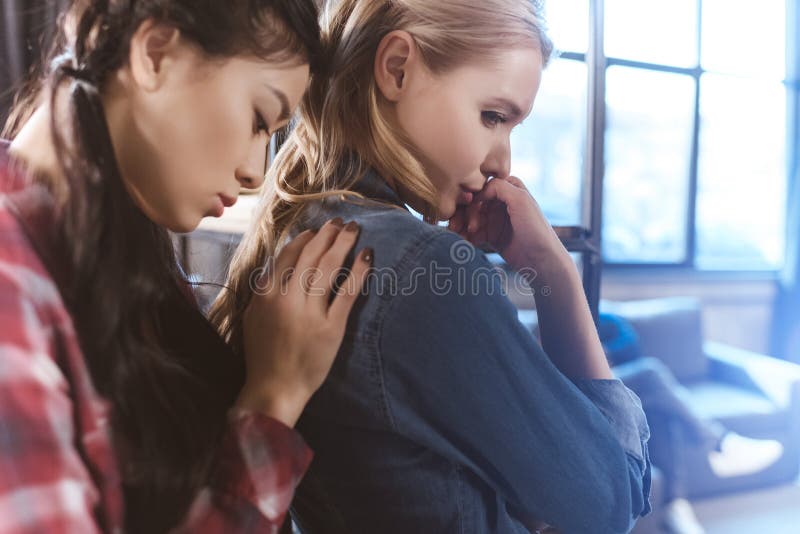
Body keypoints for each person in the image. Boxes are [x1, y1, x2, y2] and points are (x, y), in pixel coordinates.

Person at [214, 1, 652, 532]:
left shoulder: (298, 226)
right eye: (493, 116)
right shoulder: (424, 269)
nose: (502, 163)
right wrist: (554, 272)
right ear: (397, 68)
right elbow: (609, 504)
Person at [0, 1, 374, 532]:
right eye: (258, 120)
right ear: (156, 53)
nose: (253, 172)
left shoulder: (125, 250)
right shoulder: (10, 279)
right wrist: (275, 394)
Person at [599, 314, 784, 534]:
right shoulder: (554, 302)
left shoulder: (598, 310)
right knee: (650, 373)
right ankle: (719, 444)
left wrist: (602, 350)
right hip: (581, 385)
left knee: (659, 409)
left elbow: (630, 340)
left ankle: (675, 507)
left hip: (614, 379)